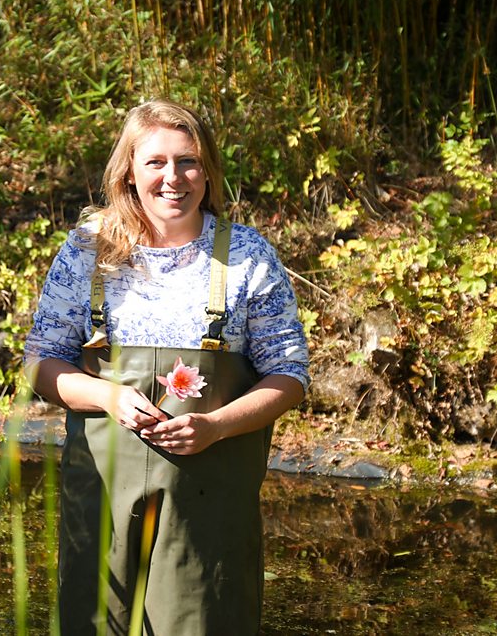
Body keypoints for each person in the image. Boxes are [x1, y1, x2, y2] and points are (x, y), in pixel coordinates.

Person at [24, 99, 309, 635]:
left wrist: (215, 425)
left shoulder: (246, 255)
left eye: (189, 161)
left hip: (209, 507)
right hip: (103, 498)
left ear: (208, 169)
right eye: (156, 162)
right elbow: (40, 363)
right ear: (128, 170)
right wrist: (106, 396)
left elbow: (289, 374)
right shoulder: (88, 249)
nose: (173, 177)